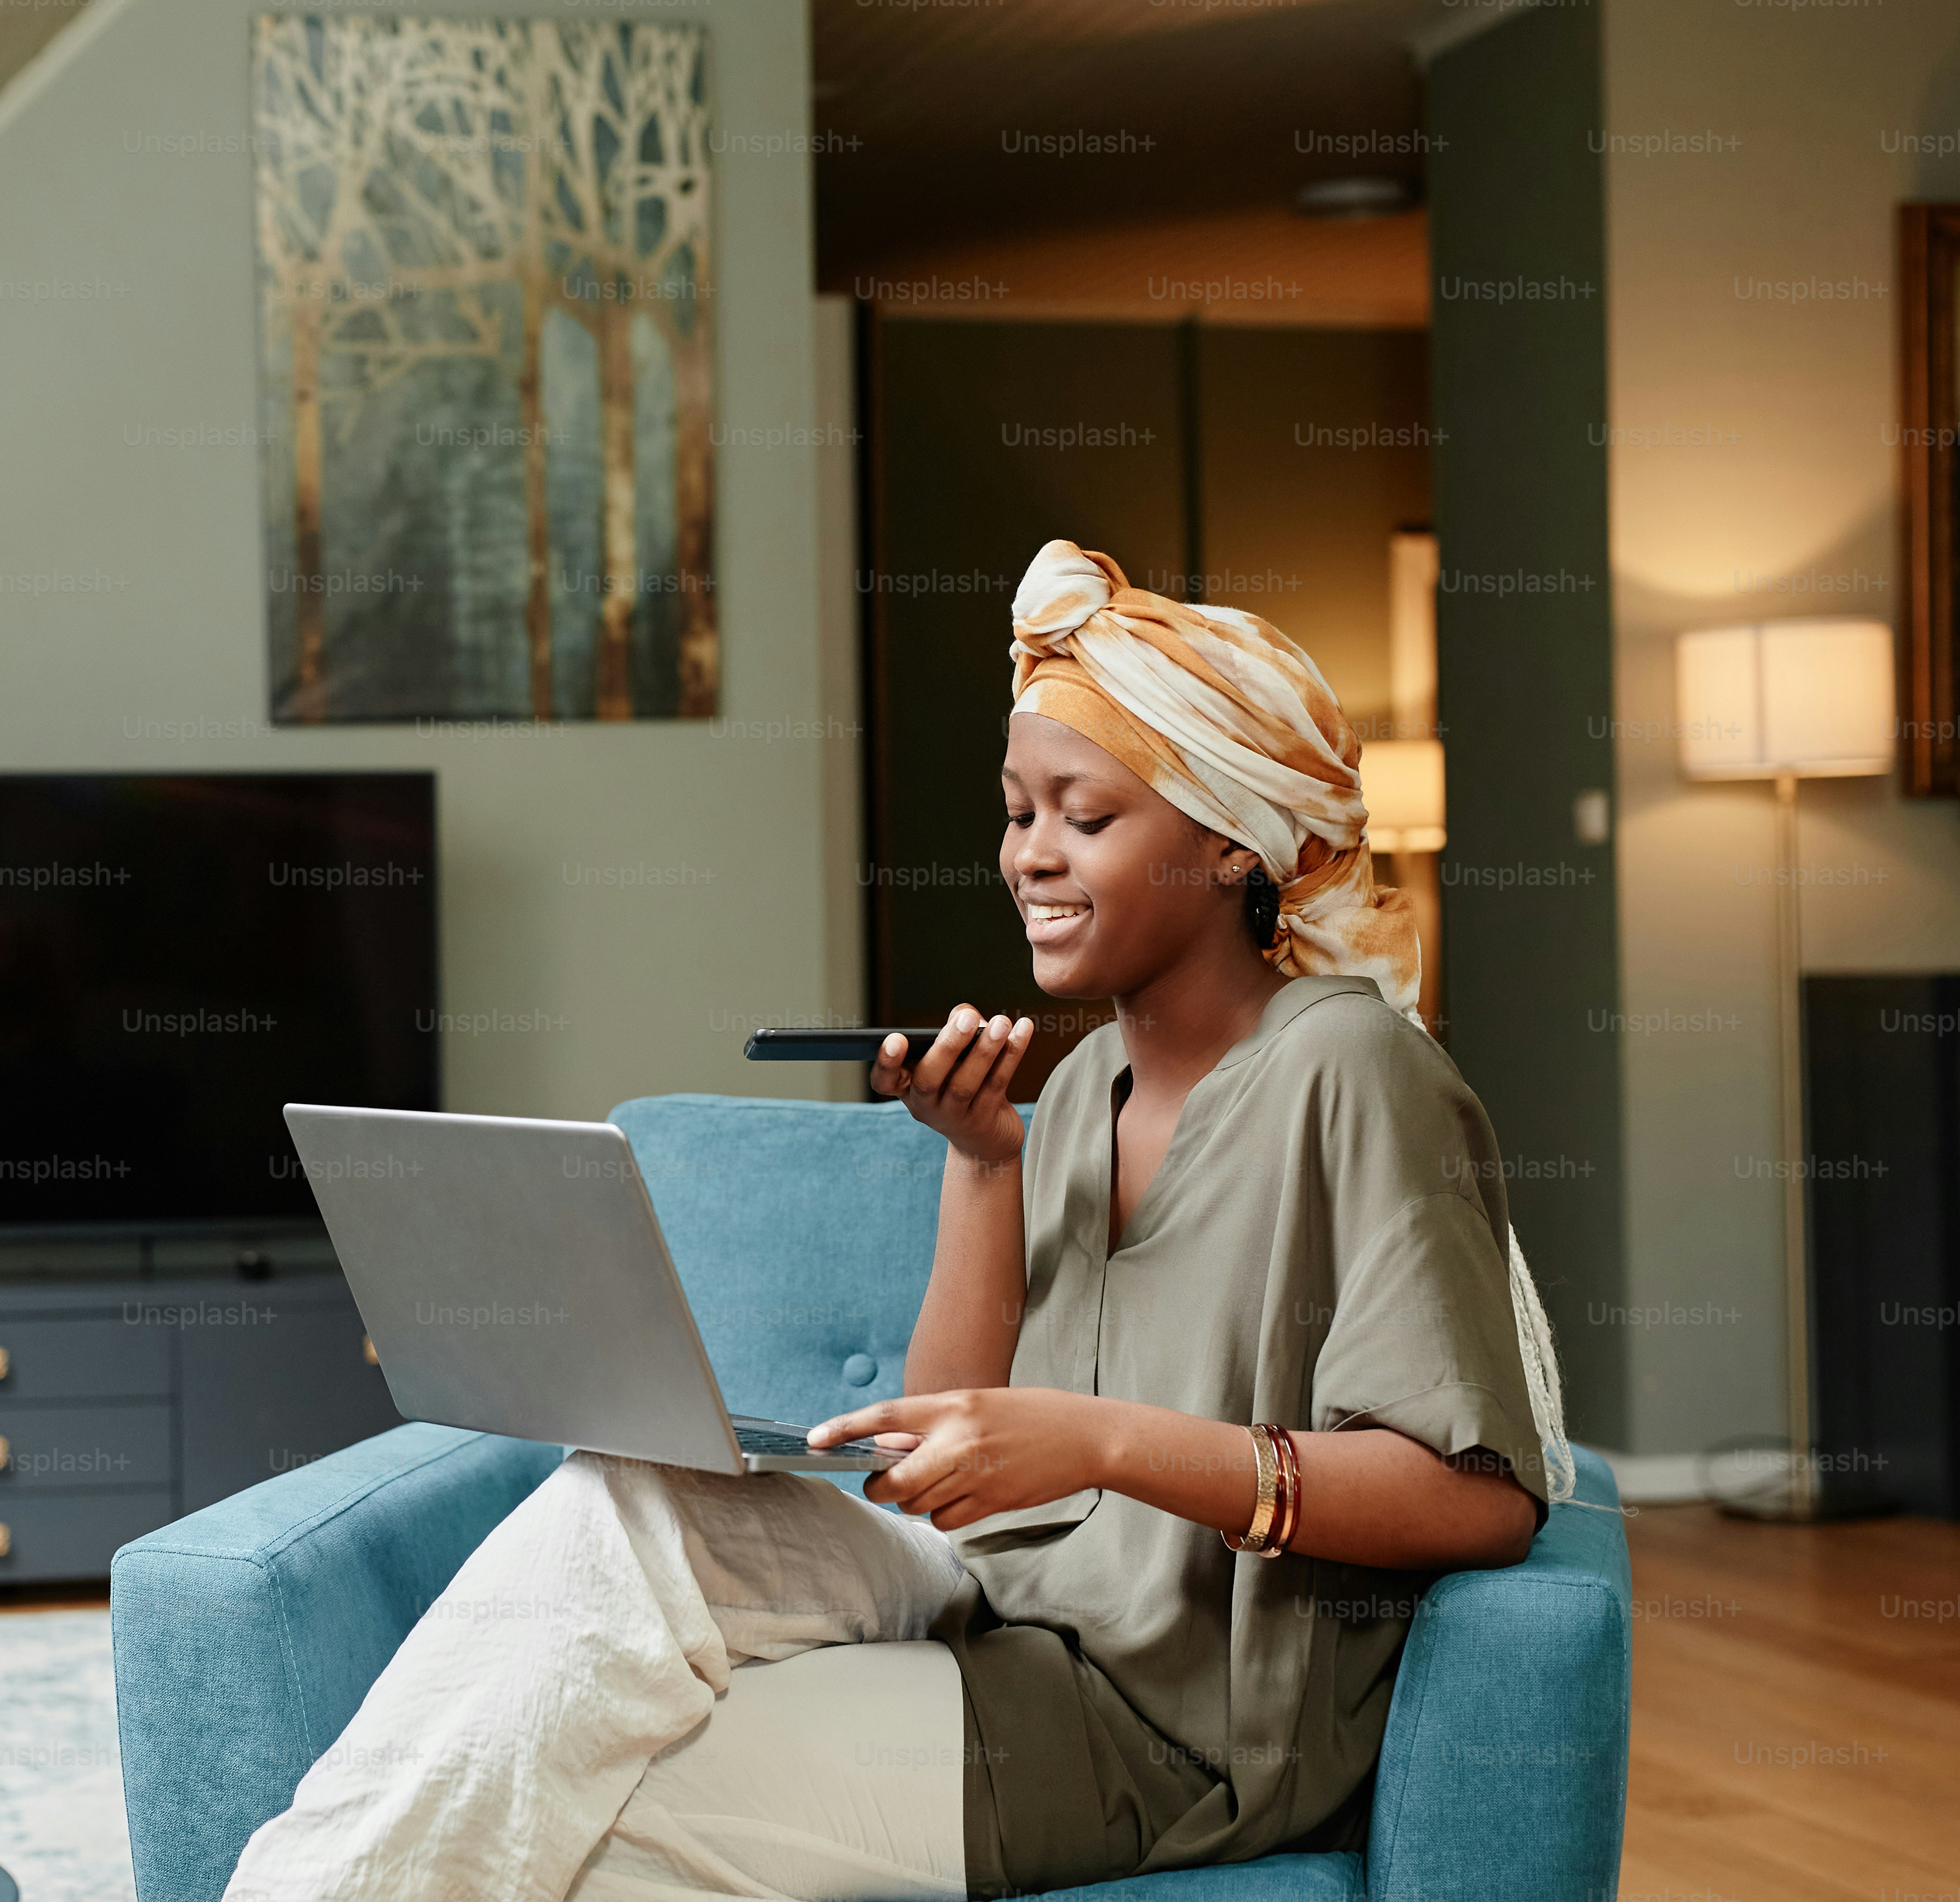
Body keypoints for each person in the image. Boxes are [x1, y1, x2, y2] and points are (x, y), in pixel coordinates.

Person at [224, 539, 1573, 1902]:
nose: (1028, 856)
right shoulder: (1088, 1077)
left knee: (570, 1799)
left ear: (1230, 838)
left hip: (1162, 1723)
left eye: (1082, 816)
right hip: (994, 1597)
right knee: (612, 1499)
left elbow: (1476, 1500)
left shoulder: (1352, 1069)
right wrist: (983, 1161)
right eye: (1014, 813)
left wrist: (1105, 1440)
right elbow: (935, 1440)